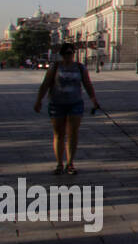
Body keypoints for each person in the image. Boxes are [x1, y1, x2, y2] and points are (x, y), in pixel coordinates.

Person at [33, 43, 100, 175]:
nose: (69, 56)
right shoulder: (55, 67)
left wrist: (94, 100)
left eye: (71, 53)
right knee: (59, 133)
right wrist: (39, 100)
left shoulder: (80, 68)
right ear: (62, 55)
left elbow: (87, 84)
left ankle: (70, 163)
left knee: (73, 133)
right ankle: (59, 163)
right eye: (66, 54)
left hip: (75, 103)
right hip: (57, 103)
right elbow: (45, 84)